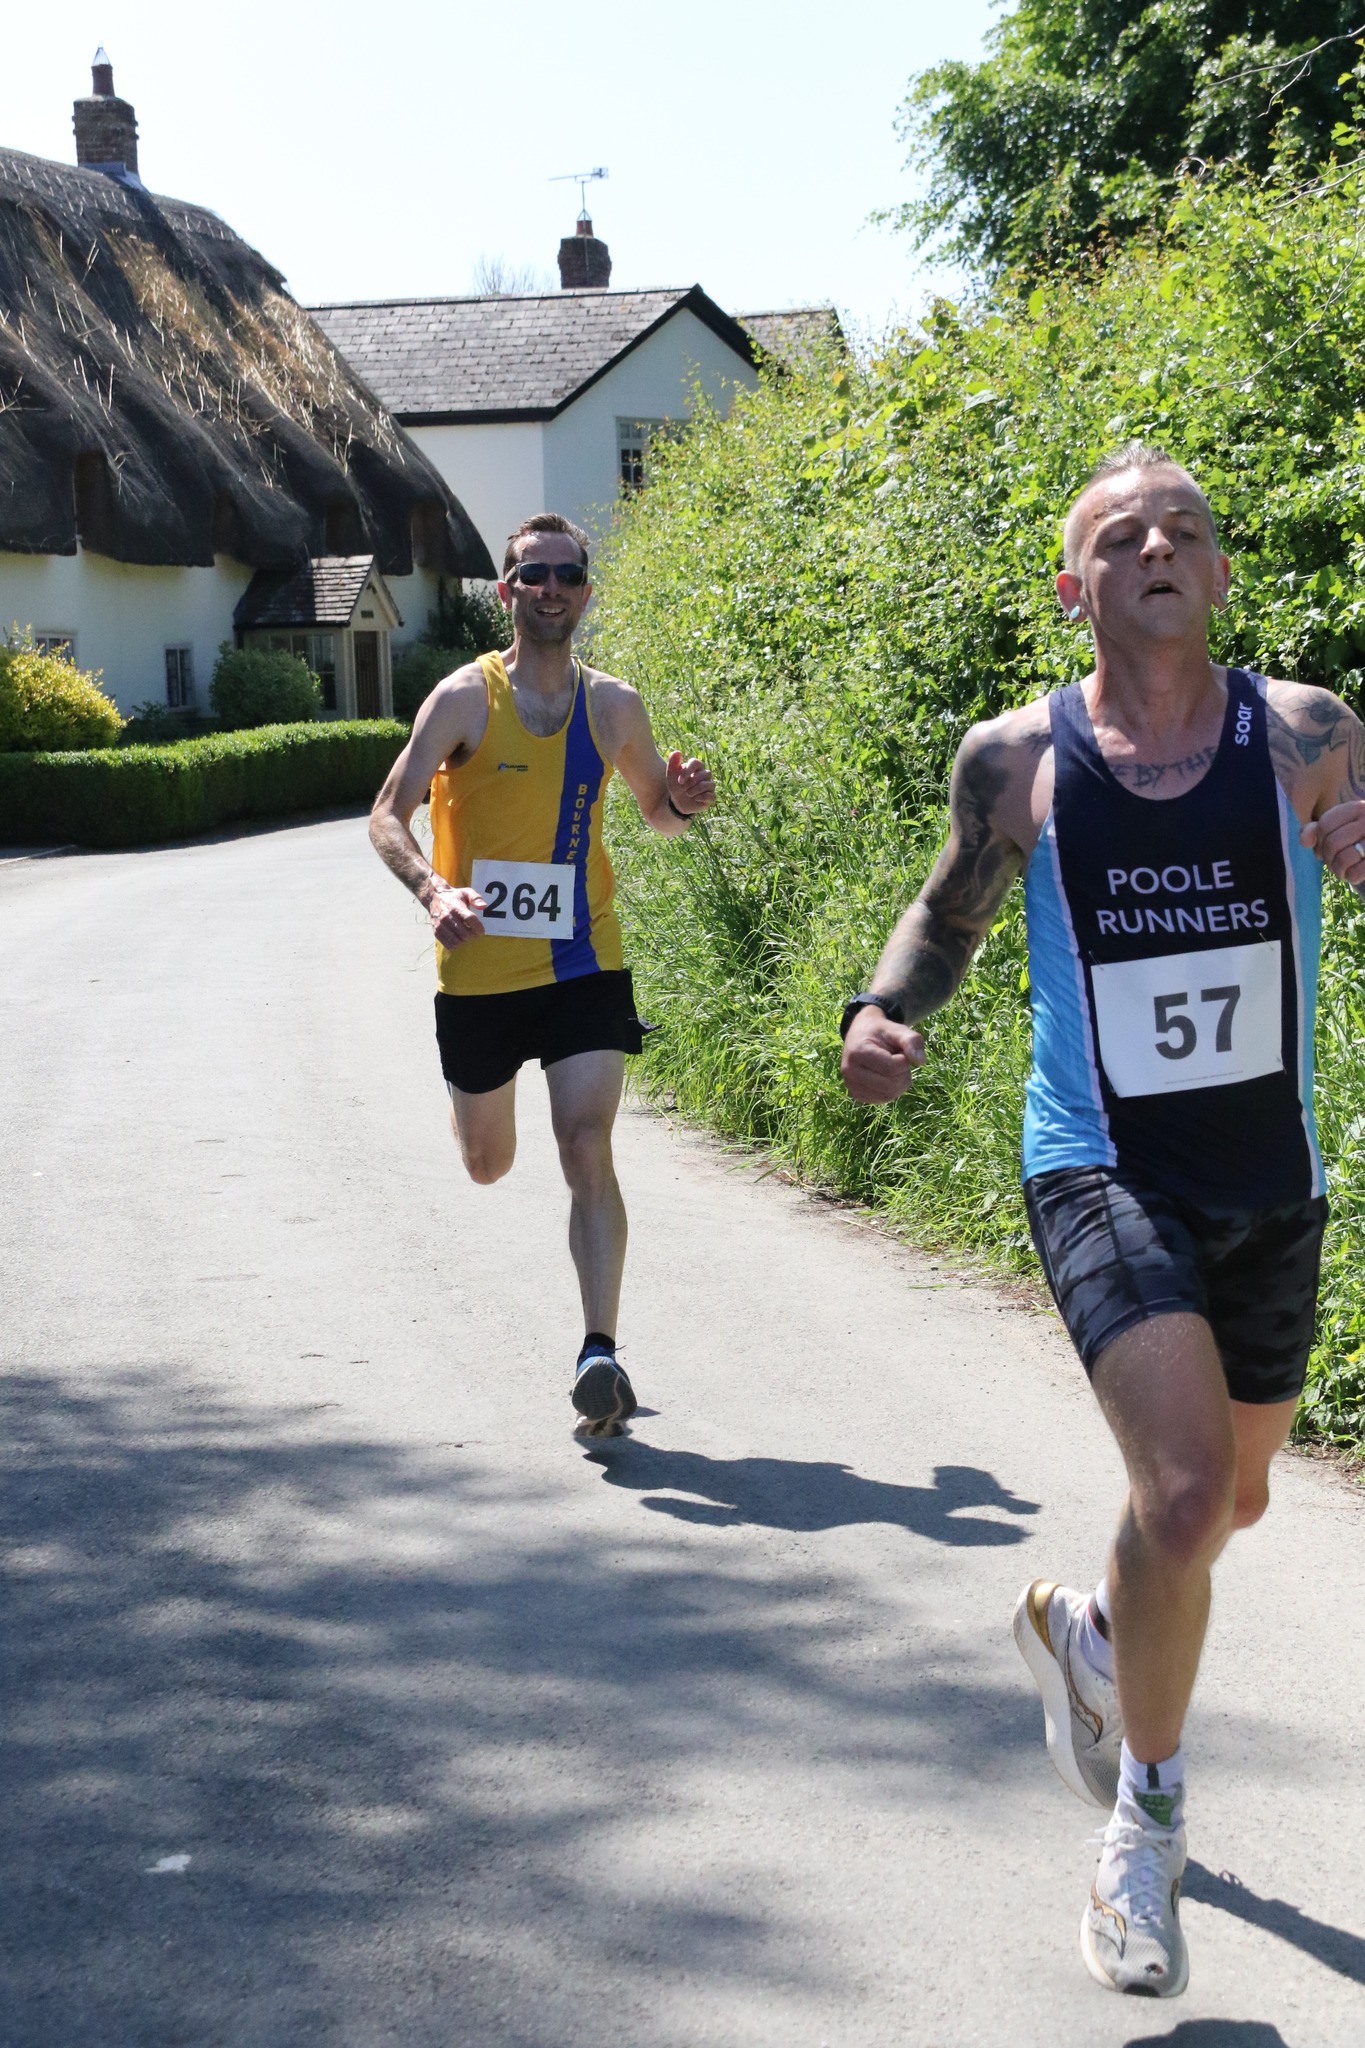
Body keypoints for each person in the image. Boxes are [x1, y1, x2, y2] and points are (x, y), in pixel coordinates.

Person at [839, 443, 1365, 1998]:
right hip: (1099, 1167)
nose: (1155, 546)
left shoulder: (1310, 734)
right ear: (1074, 589)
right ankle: (1146, 1821)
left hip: (1271, 1176)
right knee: (1187, 1494)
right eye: (1120, 535)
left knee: (1225, 1507)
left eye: (1181, 529)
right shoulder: (1019, 760)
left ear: (1217, 576)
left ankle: (1089, 1633)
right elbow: (947, 909)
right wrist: (881, 1010)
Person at [370, 512, 714, 1436]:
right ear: (507, 592)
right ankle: (470, 1110)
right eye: (534, 575)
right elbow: (386, 814)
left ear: (586, 592)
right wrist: (432, 890)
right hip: (478, 971)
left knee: (585, 1142)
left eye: (567, 574)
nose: (551, 588)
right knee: (488, 1164)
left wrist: (682, 802)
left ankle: (599, 1351)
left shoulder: (614, 708)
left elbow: (657, 813)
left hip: (581, 961)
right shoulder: (461, 700)